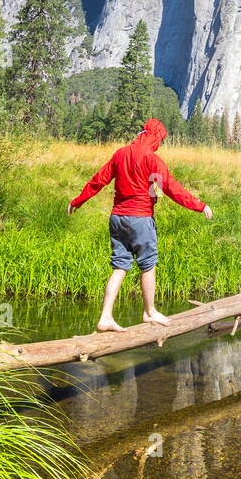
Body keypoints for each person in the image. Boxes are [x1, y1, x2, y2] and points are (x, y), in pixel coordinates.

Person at [68, 118, 212, 331]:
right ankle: (149, 312)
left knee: (120, 266)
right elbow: (171, 188)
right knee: (148, 265)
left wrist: (77, 201)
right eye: (160, 140)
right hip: (140, 219)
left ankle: (105, 317)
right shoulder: (152, 159)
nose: (160, 144)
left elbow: (100, 180)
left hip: (117, 218)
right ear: (155, 136)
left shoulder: (120, 154)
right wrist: (200, 205)